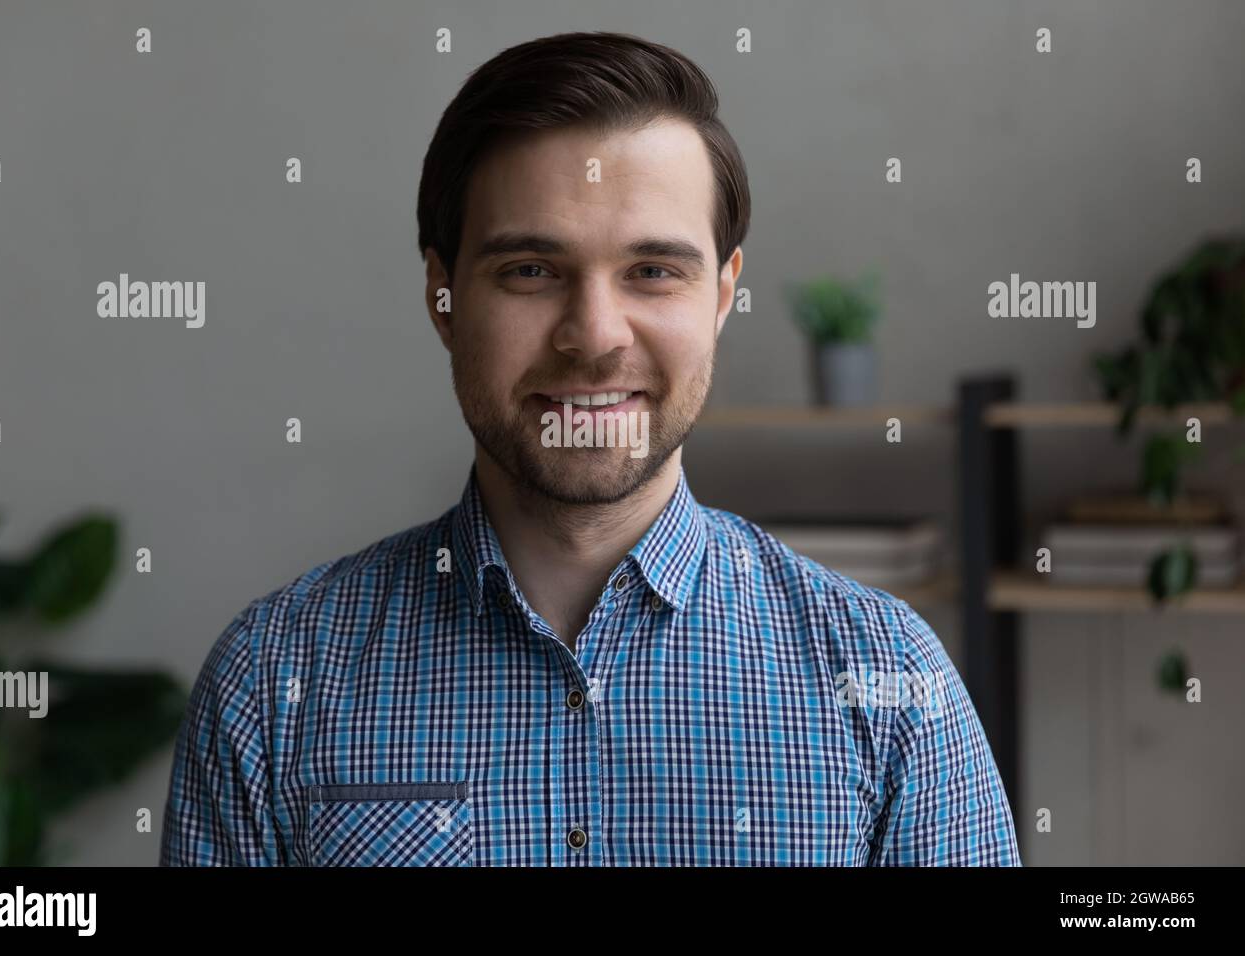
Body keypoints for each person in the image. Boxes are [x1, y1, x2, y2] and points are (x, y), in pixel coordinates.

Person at [161, 31, 1020, 866]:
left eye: (654, 272)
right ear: (443, 296)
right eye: (531, 270)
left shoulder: (888, 678)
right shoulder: (272, 680)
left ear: (722, 297)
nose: (595, 337)